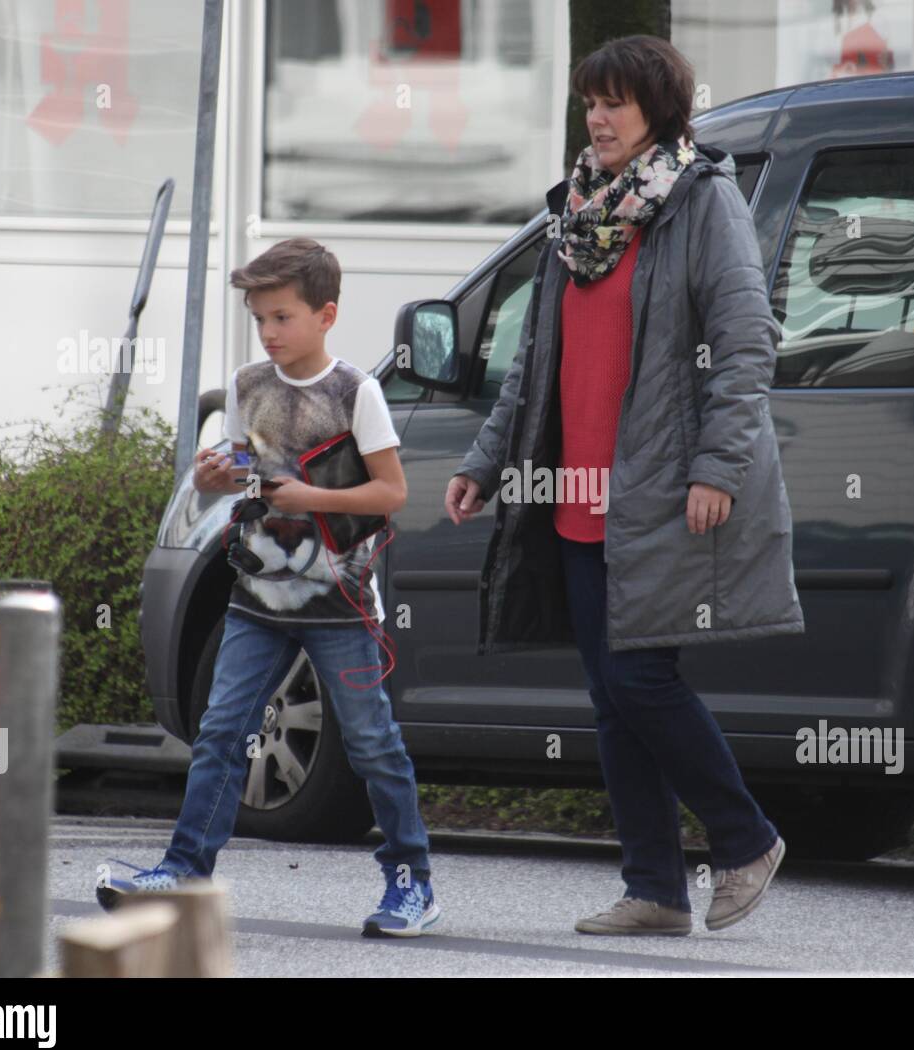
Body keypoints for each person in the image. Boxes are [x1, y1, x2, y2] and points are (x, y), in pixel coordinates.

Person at [444, 36, 804, 936]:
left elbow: (747, 338)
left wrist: (717, 466)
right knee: (611, 696)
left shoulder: (700, 201)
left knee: (642, 680)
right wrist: (485, 461)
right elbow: (533, 362)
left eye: (615, 103)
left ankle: (745, 837)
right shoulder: (576, 212)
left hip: (657, 491)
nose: (597, 119)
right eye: (588, 103)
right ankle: (654, 887)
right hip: (574, 495)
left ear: (659, 111)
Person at [98, 237, 439, 938]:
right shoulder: (250, 384)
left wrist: (310, 496)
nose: (270, 332)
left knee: (372, 742)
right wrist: (209, 476)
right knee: (221, 731)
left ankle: (412, 882)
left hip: (338, 605)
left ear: (326, 314)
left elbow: (392, 493)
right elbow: (229, 469)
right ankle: (185, 873)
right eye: (260, 318)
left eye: (283, 317)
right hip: (255, 597)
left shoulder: (356, 391)